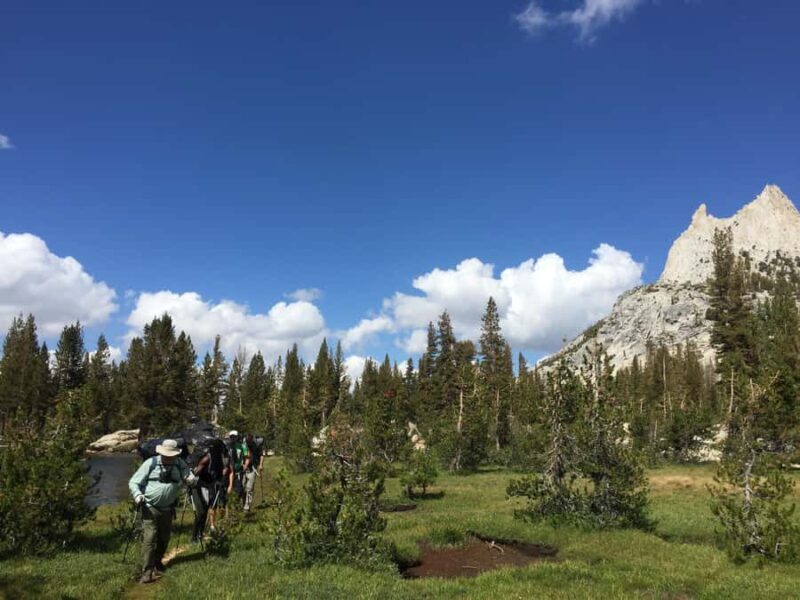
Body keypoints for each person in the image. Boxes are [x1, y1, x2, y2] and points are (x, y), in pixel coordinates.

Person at [128, 439, 198, 584]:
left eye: (171, 455)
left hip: (167, 508)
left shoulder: (179, 463)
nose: (168, 457)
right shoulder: (151, 463)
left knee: (164, 538)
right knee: (150, 538)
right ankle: (147, 571)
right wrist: (137, 495)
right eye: (166, 455)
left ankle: (158, 562)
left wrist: (191, 479)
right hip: (149, 506)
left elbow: (189, 476)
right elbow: (134, 482)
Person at [189, 438, 225, 542]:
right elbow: (196, 473)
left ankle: (200, 534)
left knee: (204, 512)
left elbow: (218, 473)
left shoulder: (218, 458)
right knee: (201, 512)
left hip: (209, 487)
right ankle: (194, 537)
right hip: (199, 487)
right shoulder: (207, 458)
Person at [243, 433, 264, 512]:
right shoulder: (244, 445)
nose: (248, 443)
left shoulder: (257, 445)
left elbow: (261, 455)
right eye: (247, 441)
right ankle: (241, 503)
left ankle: (247, 506)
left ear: (252, 440)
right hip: (243, 468)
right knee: (242, 487)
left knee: (250, 487)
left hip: (253, 468)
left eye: (249, 441)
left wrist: (261, 465)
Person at [228, 430, 249, 506]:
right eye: (232, 436)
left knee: (238, 489)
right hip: (229, 472)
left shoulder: (242, 445)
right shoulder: (228, 445)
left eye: (235, 436)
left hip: (238, 471)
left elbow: (247, 456)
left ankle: (237, 503)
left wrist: (245, 465)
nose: (233, 438)